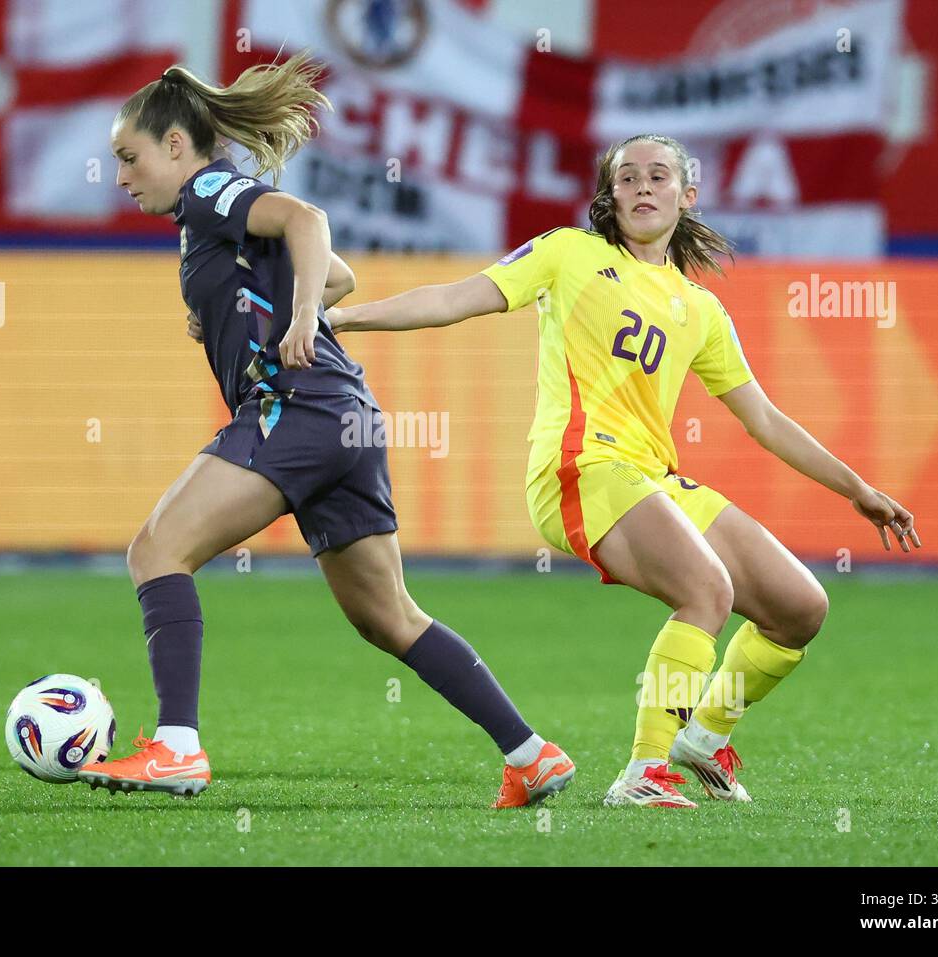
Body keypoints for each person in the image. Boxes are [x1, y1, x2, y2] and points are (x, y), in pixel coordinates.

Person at [327, 133, 921, 808]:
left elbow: (765, 419)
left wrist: (859, 490)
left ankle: (705, 734)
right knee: (707, 591)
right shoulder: (569, 253)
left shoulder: (698, 308)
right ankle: (644, 770)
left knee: (800, 607)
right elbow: (456, 297)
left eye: (658, 175)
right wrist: (343, 317)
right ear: (609, 196)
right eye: (628, 177)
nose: (643, 186)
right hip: (579, 466)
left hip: (650, 476)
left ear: (685, 195)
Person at [76, 53, 575, 809]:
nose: (121, 175)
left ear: (176, 145)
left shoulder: (211, 189)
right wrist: (255, 299)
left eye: (128, 156)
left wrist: (301, 314)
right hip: (349, 418)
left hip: (295, 406)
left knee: (156, 550)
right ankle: (531, 753)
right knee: (389, 617)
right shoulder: (208, 217)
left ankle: (175, 745)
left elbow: (308, 222)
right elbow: (339, 273)